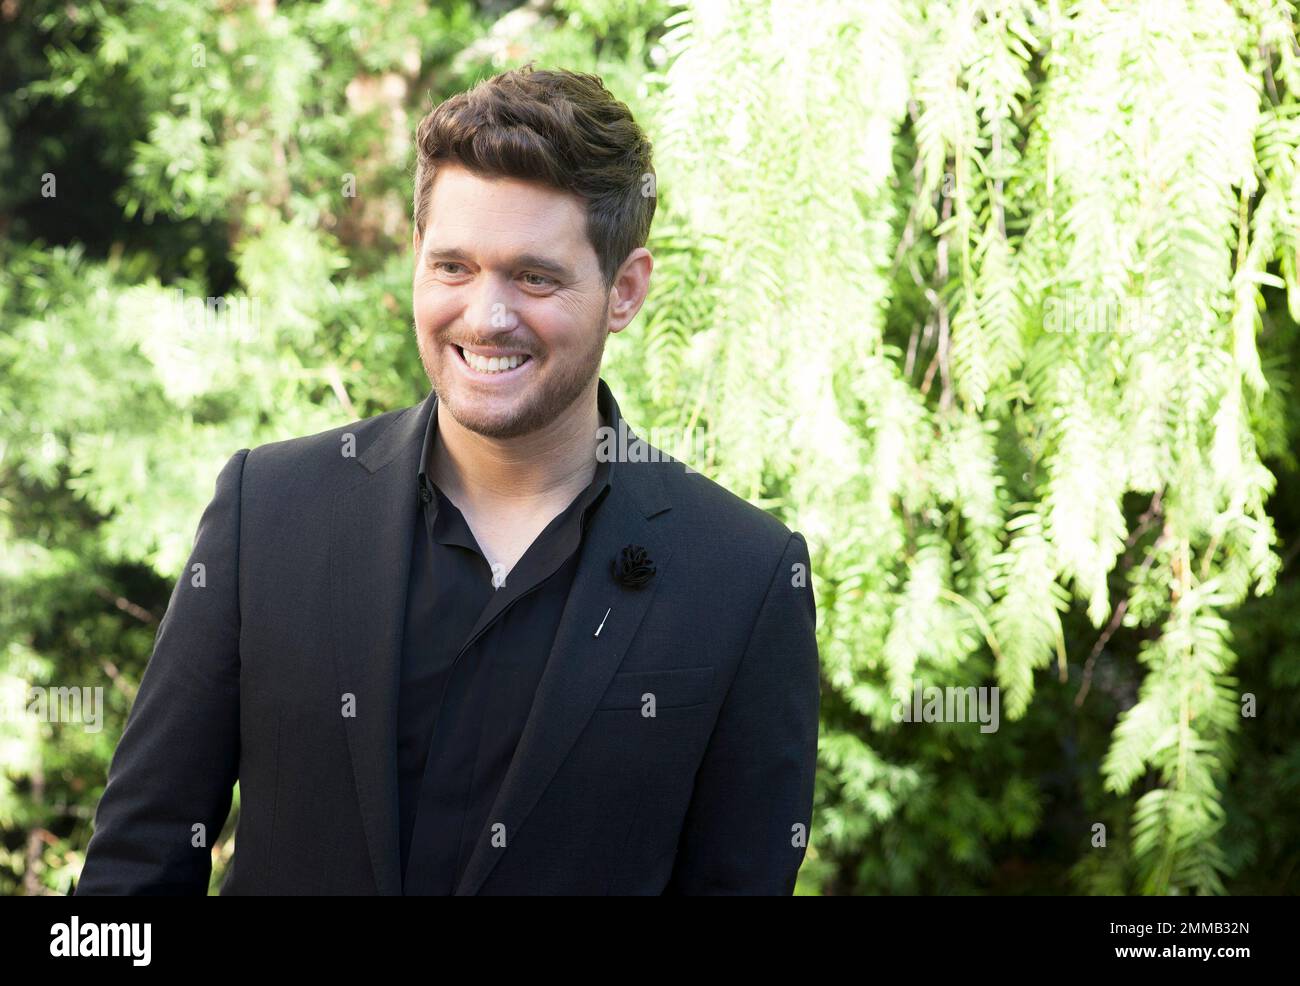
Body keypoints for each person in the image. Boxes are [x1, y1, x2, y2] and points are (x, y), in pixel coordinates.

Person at [75, 65, 820, 895]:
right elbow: (131, 877)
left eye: (535, 277)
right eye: (454, 267)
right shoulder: (269, 511)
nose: (486, 315)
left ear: (625, 291)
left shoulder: (743, 577)